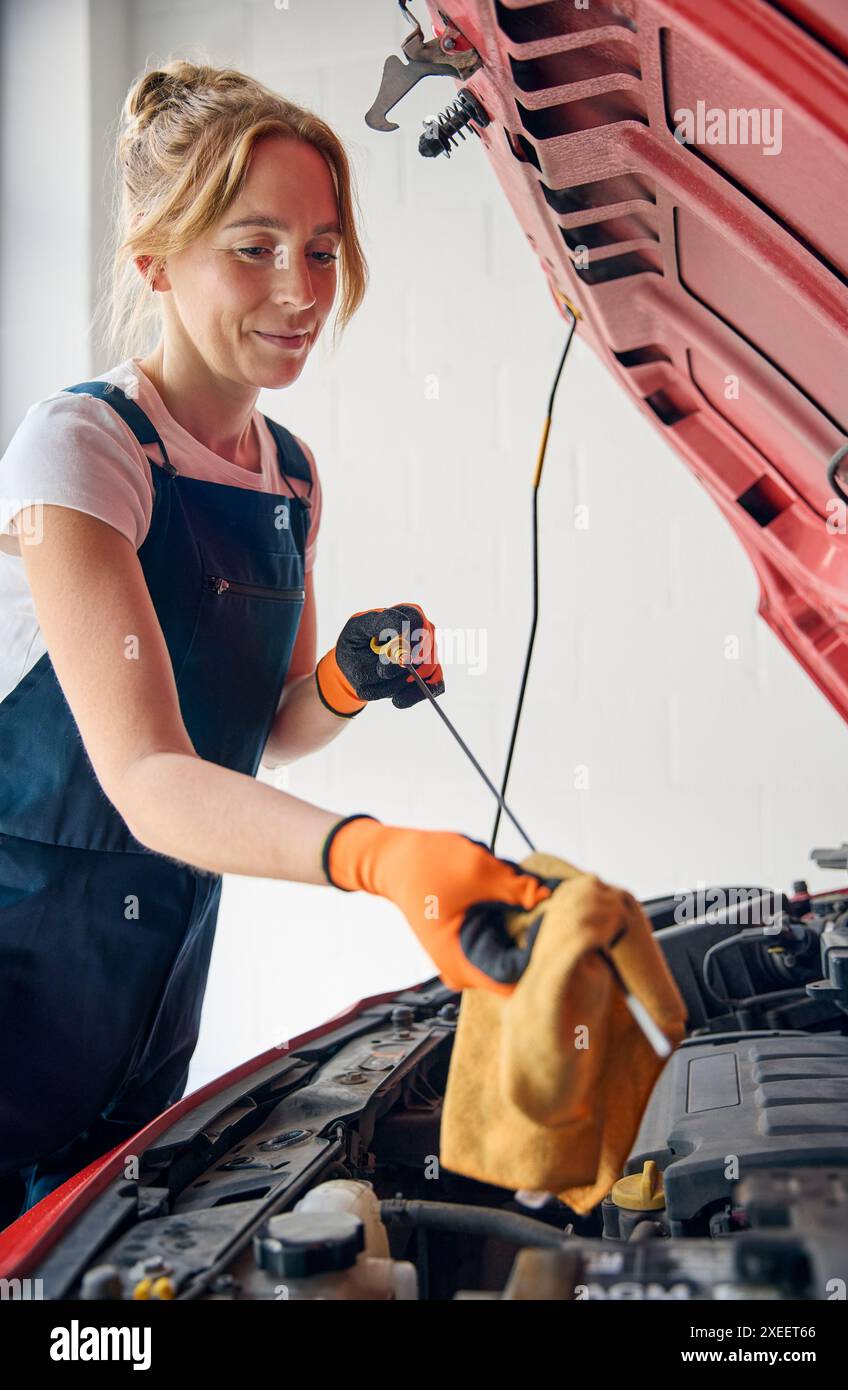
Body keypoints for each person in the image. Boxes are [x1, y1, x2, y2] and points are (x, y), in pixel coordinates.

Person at [0, 61, 551, 1226]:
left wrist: (344, 680)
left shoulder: (289, 471)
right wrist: (383, 858)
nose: (300, 288)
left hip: (156, 978)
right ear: (154, 261)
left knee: (108, 1256)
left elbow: (266, 735)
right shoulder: (81, 449)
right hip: (20, 959)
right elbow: (150, 775)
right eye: (253, 247)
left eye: (321, 246)